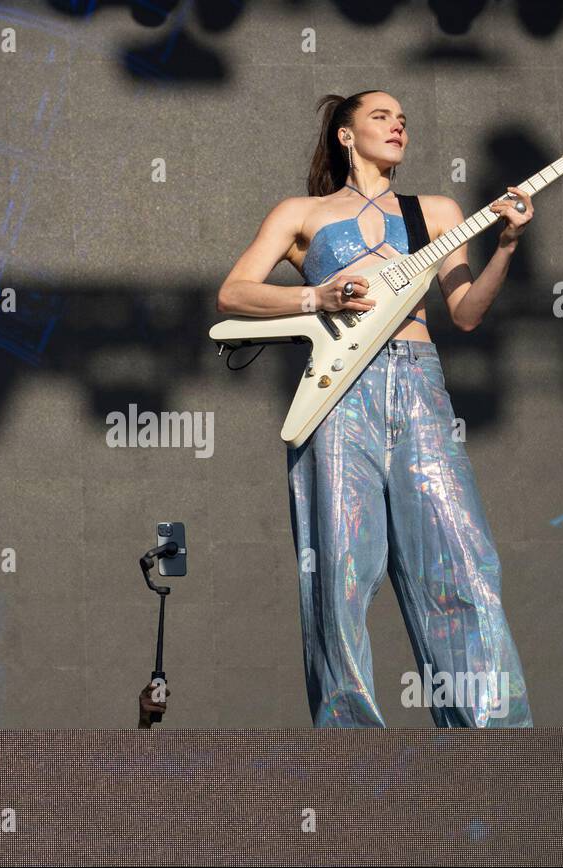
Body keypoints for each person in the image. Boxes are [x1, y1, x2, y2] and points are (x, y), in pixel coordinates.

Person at [216, 89, 534, 728]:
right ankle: (350, 742)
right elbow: (234, 293)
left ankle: (494, 741)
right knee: (339, 566)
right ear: (345, 134)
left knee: (462, 560)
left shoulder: (436, 210)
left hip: (418, 384)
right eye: (381, 117)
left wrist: (506, 245)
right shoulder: (301, 213)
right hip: (340, 394)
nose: (398, 127)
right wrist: (319, 297)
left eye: (404, 121)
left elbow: (466, 311)